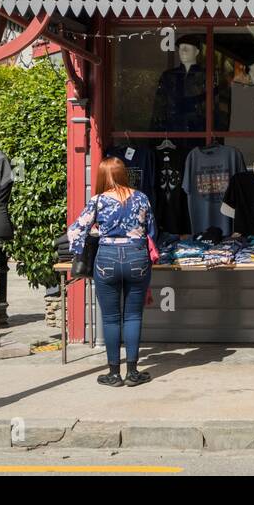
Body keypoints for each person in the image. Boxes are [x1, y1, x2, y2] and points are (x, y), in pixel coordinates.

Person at [67, 157, 158, 387]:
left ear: (102, 177)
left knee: (110, 318)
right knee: (133, 316)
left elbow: (75, 231)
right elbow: (153, 231)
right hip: (137, 257)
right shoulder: (141, 198)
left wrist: (80, 252)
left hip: (106, 258)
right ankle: (133, 372)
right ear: (123, 174)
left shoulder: (98, 201)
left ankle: (113, 373)